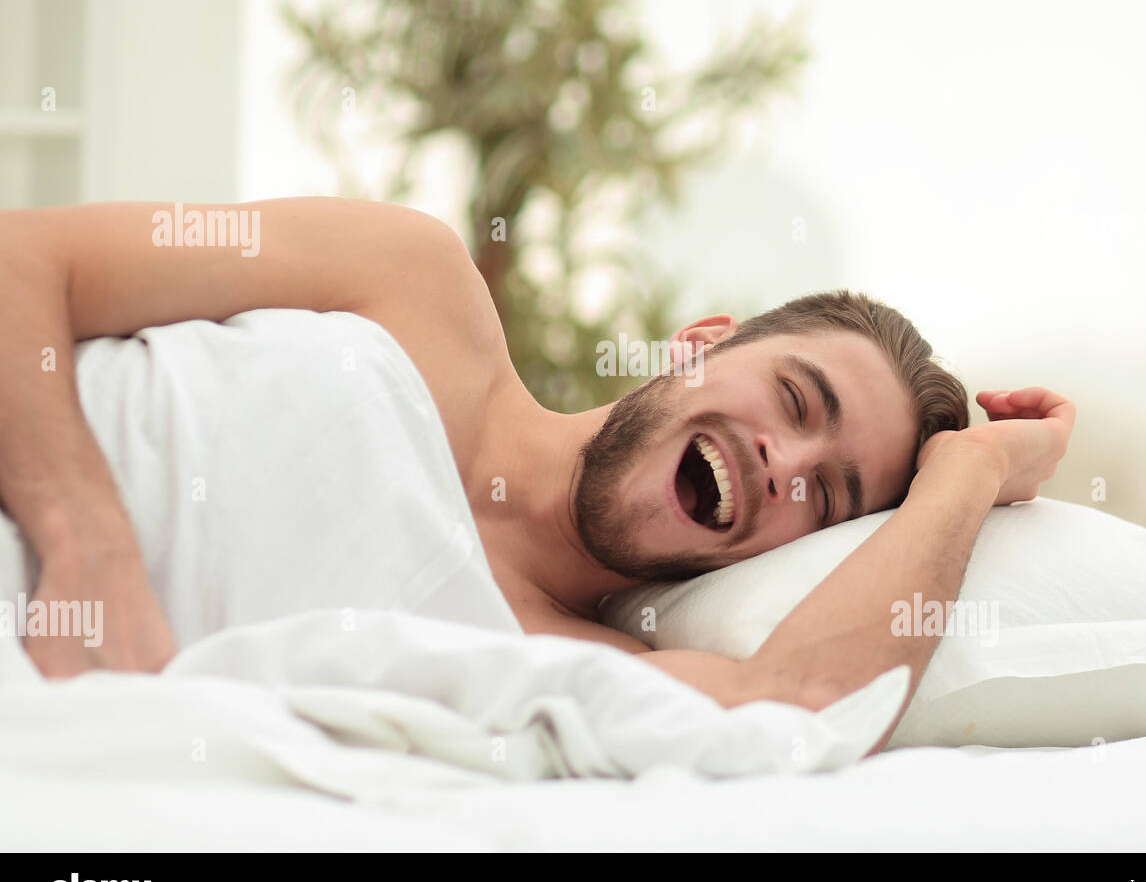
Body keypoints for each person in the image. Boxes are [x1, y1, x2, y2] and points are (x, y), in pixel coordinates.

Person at [0, 197, 1074, 753]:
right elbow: (20, 257)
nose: (781, 461)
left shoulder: (565, 668)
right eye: (794, 401)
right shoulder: (408, 277)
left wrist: (968, 472)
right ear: (691, 344)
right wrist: (85, 542)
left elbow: (798, 704)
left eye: (826, 498)